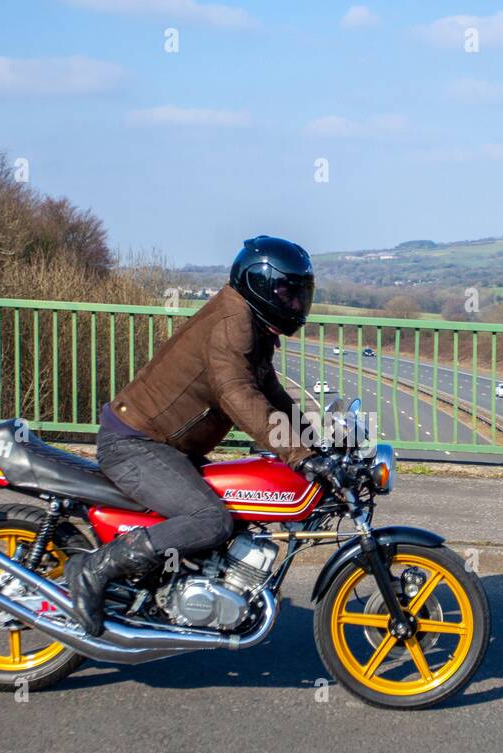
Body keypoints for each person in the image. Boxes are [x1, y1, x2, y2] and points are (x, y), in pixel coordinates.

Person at [64, 235, 340, 635]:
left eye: (300, 295)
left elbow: (271, 394)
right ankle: (94, 569)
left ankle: (175, 591)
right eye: (287, 293)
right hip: (136, 444)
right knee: (209, 520)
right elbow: (237, 394)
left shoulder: (252, 324)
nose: (296, 304)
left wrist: (316, 444)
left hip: (168, 445)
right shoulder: (233, 325)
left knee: (239, 514)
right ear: (260, 284)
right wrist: (300, 455)